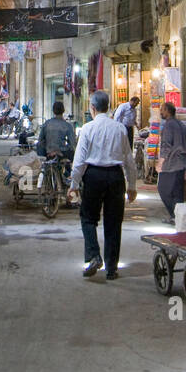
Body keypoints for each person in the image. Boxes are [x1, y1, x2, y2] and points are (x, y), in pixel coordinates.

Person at [68, 90, 137, 280]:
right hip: (116, 177)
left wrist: (74, 183)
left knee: (88, 218)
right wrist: (131, 185)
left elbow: (80, 160)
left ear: (92, 108)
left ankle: (94, 256)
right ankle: (111, 269)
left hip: (94, 176)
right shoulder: (120, 128)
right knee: (114, 223)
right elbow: (129, 159)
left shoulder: (88, 128)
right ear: (108, 107)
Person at [156, 102, 186, 224]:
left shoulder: (169, 125)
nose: (161, 112)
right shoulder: (180, 124)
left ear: (167, 110)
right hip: (182, 163)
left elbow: (166, 145)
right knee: (177, 193)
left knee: (163, 189)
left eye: (162, 110)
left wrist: (161, 162)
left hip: (171, 163)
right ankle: (179, 218)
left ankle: (175, 216)